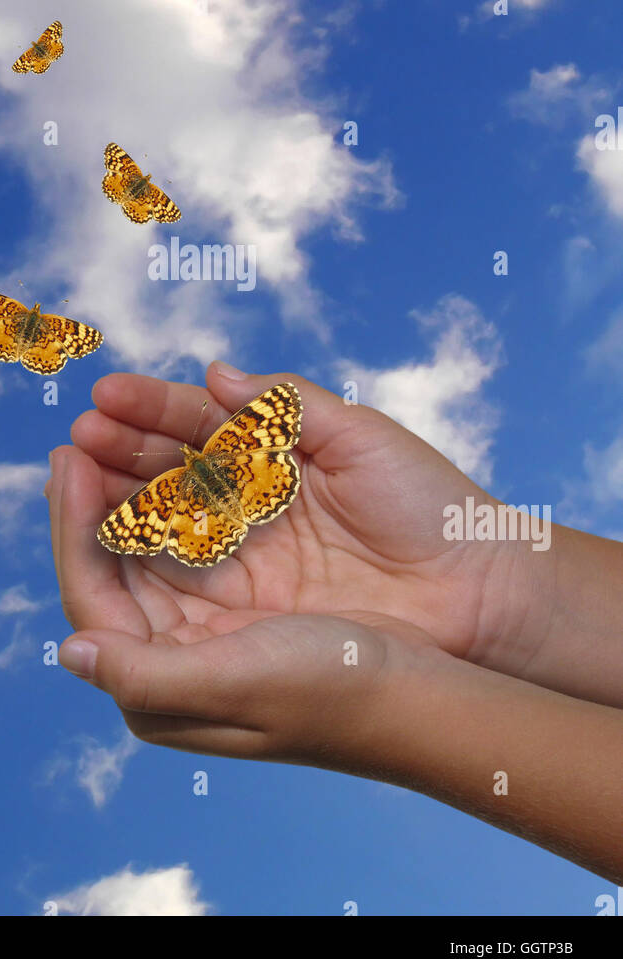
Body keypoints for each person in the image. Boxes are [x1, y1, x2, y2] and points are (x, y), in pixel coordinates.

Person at [45, 360, 623, 882]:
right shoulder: (226, 447)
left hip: (215, 516)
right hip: (257, 481)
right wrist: (494, 582)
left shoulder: (170, 488)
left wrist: (386, 700)